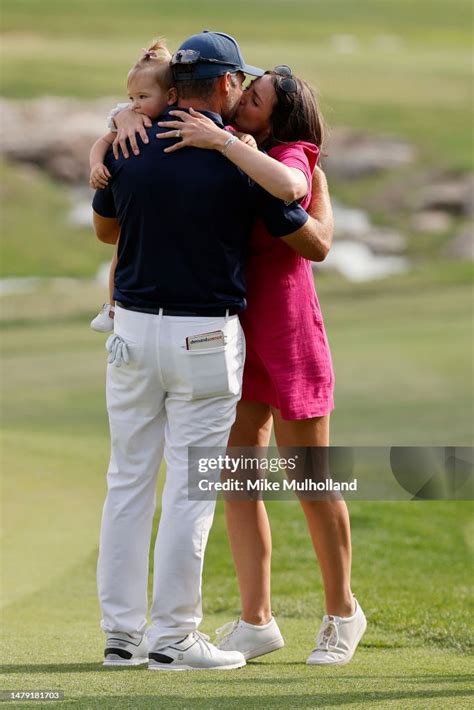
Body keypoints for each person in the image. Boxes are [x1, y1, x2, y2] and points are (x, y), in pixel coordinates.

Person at [91, 30, 327, 672]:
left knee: (128, 481)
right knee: (191, 491)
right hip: (203, 335)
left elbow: (104, 226)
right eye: (239, 84)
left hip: (132, 331)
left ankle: (120, 638)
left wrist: (114, 130)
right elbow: (297, 219)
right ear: (224, 86)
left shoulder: (130, 141)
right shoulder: (238, 158)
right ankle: (172, 640)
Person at [152, 67, 367, 666]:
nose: (243, 99)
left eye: (257, 97)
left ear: (277, 115)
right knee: (239, 481)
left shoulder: (294, 153)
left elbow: (295, 192)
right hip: (235, 333)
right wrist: (125, 117)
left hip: (290, 332)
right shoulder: (229, 143)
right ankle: (256, 621)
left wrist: (227, 144)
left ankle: (343, 614)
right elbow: (151, 105)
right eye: (244, 91)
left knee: (310, 480)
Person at [88, 39, 177, 333]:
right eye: (132, 97)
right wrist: (96, 165)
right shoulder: (128, 117)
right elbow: (102, 142)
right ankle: (113, 306)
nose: (135, 104)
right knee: (121, 253)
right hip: (138, 210)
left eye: (142, 96)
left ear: (171, 96)